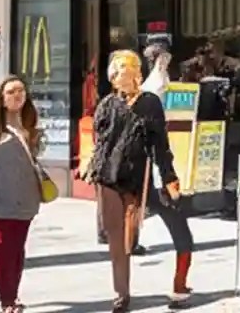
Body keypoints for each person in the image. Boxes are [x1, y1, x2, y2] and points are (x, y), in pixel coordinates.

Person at [80, 50, 182, 312]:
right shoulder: (107, 104)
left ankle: (123, 284)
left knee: (129, 236)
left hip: (134, 175)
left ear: (138, 74)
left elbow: (160, 143)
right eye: (119, 71)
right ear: (113, 77)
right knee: (116, 238)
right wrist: (88, 163)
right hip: (107, 177)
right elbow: (98, 140)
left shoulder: (149, 103)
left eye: (129, 69)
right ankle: (121, 293)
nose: (124, 75)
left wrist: (169, 176)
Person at [0, 76, 44, 313]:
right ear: (2, 99)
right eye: (11, 92)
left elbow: (35, 159)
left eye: (21, 91)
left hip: (26, 198)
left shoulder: (31, 126)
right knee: (3, 247)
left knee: (17, 249)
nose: (17, 95)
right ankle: (7, 301)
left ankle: (13, 295)